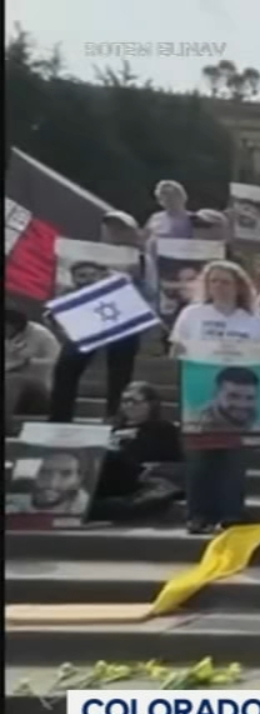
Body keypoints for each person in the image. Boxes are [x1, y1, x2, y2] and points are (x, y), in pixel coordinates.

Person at [170, 260, 260, 534]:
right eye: (214, 281)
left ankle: (231, 514)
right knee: (200, 459)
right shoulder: (192, 314)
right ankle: (198, 515)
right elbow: (176, 349)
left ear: (238, 287)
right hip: (200, 390)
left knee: (233, 460)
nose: (219, 287)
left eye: (226, 282)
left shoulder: (252, 320)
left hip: (240, 395)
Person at [48, 211, 151, 425]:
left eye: (121, 228)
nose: (114, 232)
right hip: (86, 321)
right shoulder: (85, 254)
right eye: (110, 227)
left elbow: (152, 291)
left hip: (123, 320)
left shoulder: (144, 259)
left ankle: (116, 417)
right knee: (66, 367)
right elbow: (63, 291)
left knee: (120, 370)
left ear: (133, 232)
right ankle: (59, 419)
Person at [91, 381, 184, 523]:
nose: (128, 405)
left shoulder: (163, 429)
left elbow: (171, 461)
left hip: (140, 476)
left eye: (134, 401)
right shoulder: (111, 426)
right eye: (125, 401)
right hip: (109, 475)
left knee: (115, 456)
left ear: (150, 404)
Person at [5, 307, 61, 435]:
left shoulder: (42, 335)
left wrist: (28, 362)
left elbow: (57, 361)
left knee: (14, 380)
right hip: (13, 396)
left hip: (39, 388)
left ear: (15, 325)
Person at [18, 449, 91, 514]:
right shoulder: (15, 502)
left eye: (65, 474)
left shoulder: (87, 511)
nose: (51, 484)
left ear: (78, 480)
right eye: (44, 472)